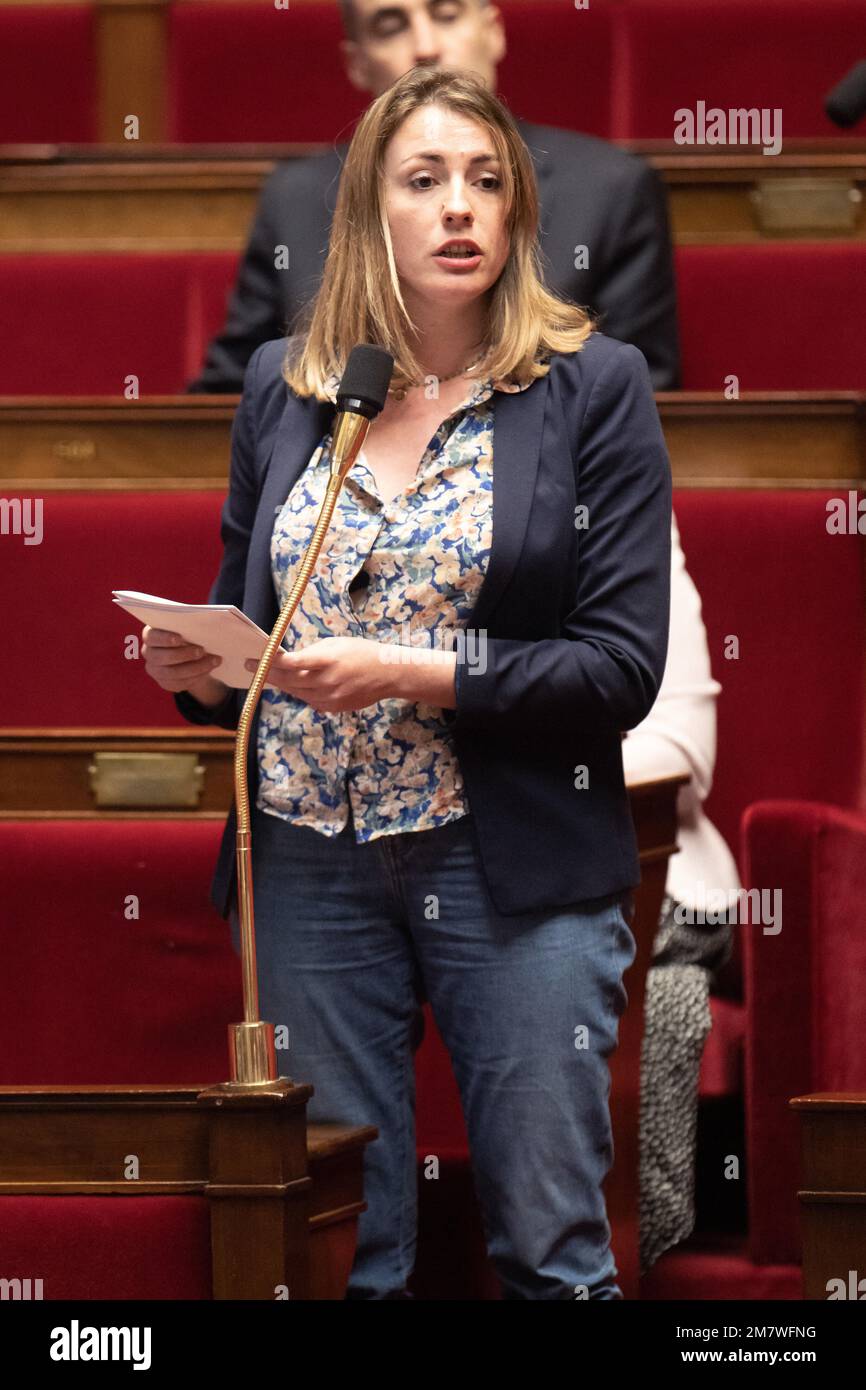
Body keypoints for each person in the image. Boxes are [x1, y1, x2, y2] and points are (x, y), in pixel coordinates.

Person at [144, 65, 672, 1299]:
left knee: (548, 1250)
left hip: (508, 856)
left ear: (519, 214)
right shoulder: (289, 384)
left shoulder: (592, 388)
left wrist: (416, 672)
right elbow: (252, 609)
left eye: (487, 184)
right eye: (424, 181)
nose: (459, 210)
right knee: (336, 1253)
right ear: (364, 214)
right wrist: (202, 667)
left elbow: (617, 667)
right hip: (305, 856)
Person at [187, 0, 679, 393]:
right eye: (390, 25)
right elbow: (232, 394)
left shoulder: (609, 187)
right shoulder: (294, 197)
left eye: (446, 14)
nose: (425, 47)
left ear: (493, 30)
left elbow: (639, 395)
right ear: (357, 64)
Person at [622, 511, 741, 1274]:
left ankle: (626, 1246)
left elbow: (681, 753)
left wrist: (517, 770)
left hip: (658, 882)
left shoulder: (627, 520)